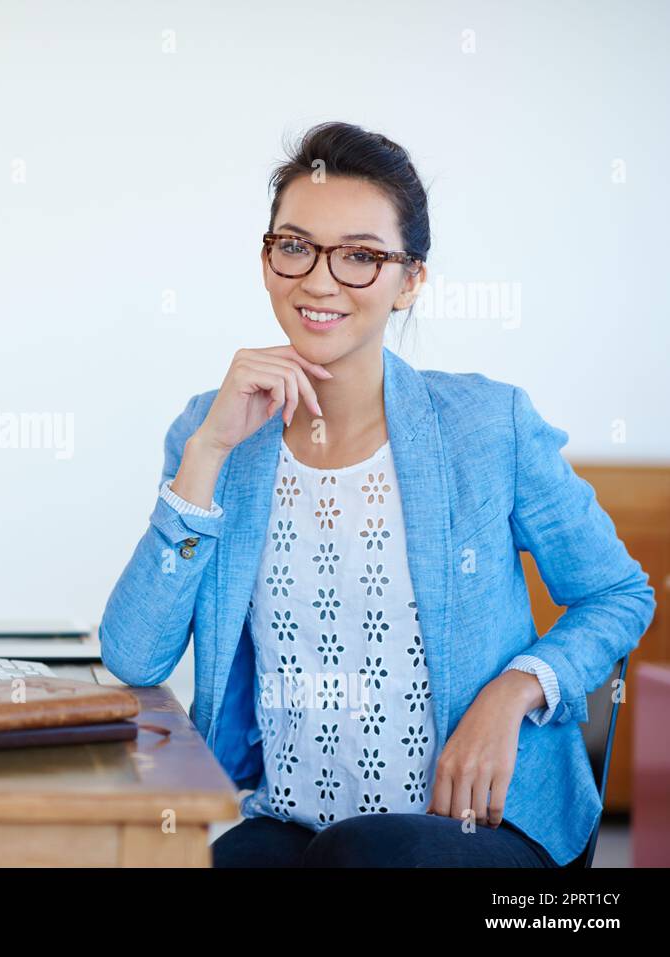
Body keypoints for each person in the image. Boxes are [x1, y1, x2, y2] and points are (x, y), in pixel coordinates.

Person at [98, 121, 656, 867]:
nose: (320, 280)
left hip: (485, 826)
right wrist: (205, 454)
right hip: (297, 819)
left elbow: (619, 593)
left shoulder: (490, 426)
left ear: (410, 279)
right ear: (267, 261)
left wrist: (516, 688)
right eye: (294, 246)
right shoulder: (212, 429)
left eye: (360, 256)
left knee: (362, 855)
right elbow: (134, 656)